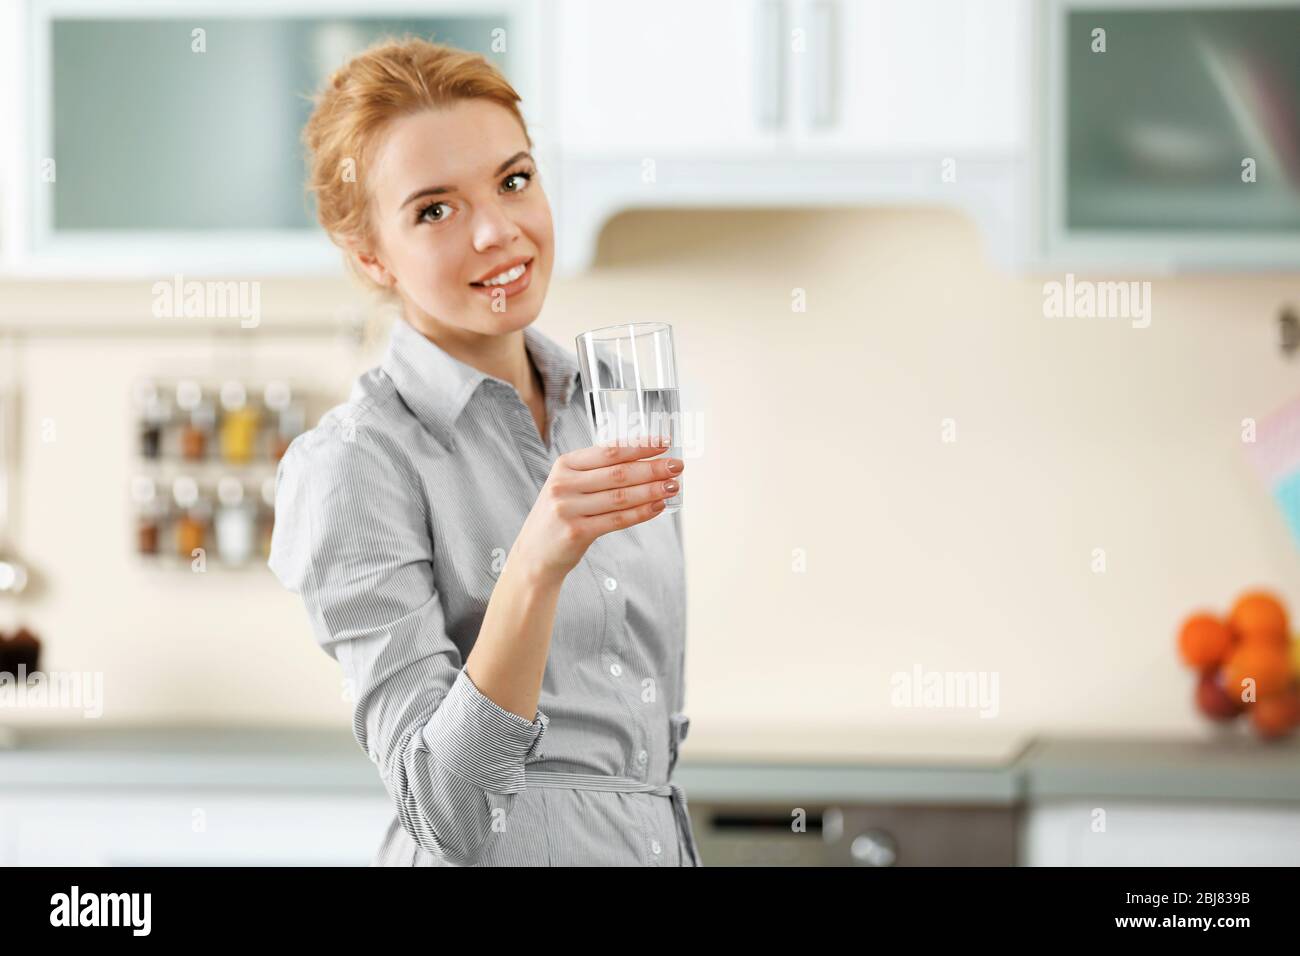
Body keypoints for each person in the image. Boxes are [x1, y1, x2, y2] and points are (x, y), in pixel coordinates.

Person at [269, 35, 700, 866]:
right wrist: (533, 568)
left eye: (514, 180)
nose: (498, 232)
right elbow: (447, 816)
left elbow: (643, 745)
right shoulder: (356, 465)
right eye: (435, 209)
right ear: (368, 254)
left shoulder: (614, 401)